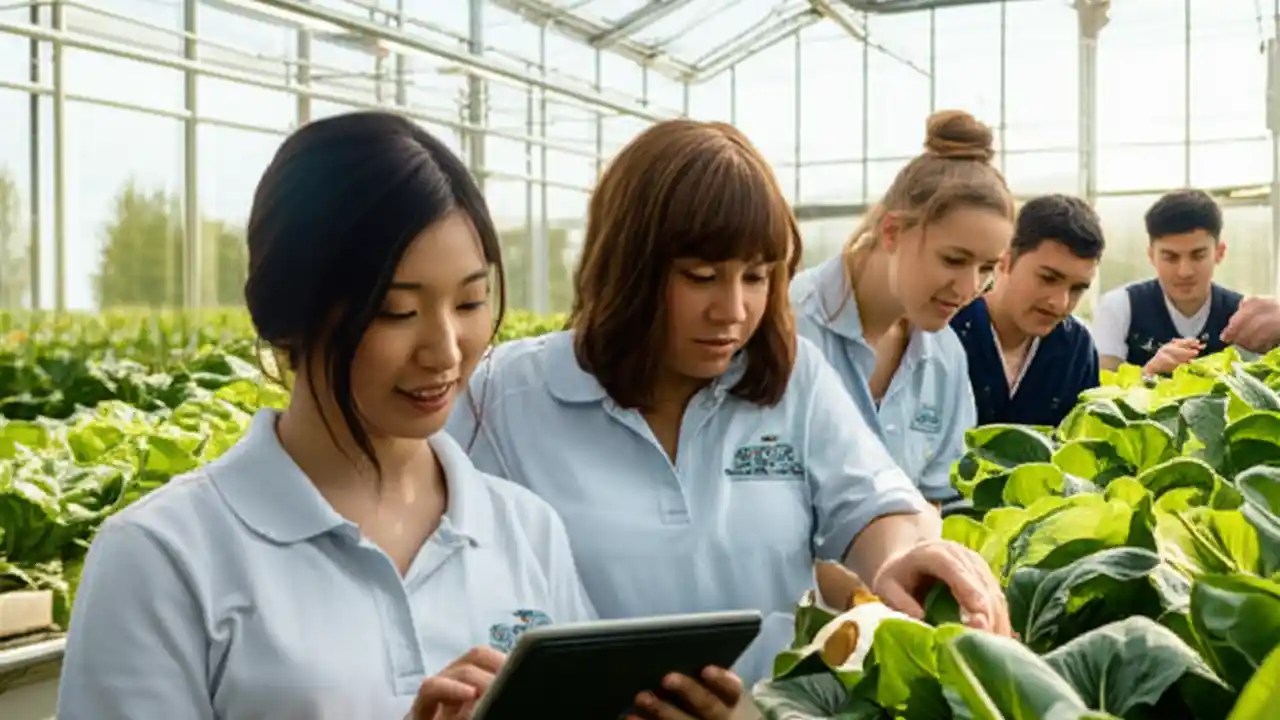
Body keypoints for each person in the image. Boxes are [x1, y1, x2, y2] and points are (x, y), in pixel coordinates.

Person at [57, 112, 738, 720]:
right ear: (290, 310)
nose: (445, 350)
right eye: (397, 311)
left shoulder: (524, 530)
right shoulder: (164, 557)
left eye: (470, 304)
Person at [447, 119, 1012, 686]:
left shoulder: (792, 382)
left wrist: (897, 562)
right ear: (626, 266)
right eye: (701, 276)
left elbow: (874, 502)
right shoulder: (502, 398)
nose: (734, 310)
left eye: (757, 277)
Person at [790, 110, 1014, 505]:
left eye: (986, 269)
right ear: (893, 231)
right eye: (953, 260)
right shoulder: (790, 327)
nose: (969, 289)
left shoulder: (945, 356)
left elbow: (936, 500)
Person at [951, 194, 1105, 428]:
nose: (1060, 302)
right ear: (1005, 260)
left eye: (1077, 289)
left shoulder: (1076, 349)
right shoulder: (948, 331)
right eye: (1048, 278)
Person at [1094, 189, 1242, 376]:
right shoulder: (1119, 306)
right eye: (1170, 257)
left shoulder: (1241, 314)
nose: (1185, 272)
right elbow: (1101, 392)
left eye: (1198, 256)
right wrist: (1149, 373)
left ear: (1219, 252)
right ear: (1151, 255)